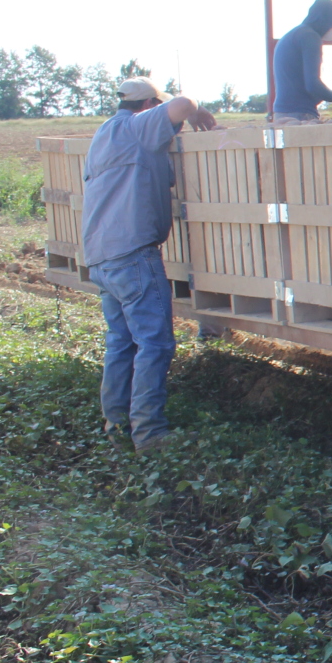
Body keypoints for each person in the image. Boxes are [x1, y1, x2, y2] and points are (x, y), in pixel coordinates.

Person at [80, 77, 219, 451]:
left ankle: (116, 425)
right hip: (133, 253)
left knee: (121, 342)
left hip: (101, 256)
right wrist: (196, 109)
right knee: (155, 342)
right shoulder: (138, 125)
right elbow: (183, 103)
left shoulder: (103, 134)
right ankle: (150, 433)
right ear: (147, 106)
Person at [270, 0, 332, 120]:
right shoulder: (310, 37)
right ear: (324, 20)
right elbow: (313, 84)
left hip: (283, 112)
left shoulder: (294, 34)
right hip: (300, 113)